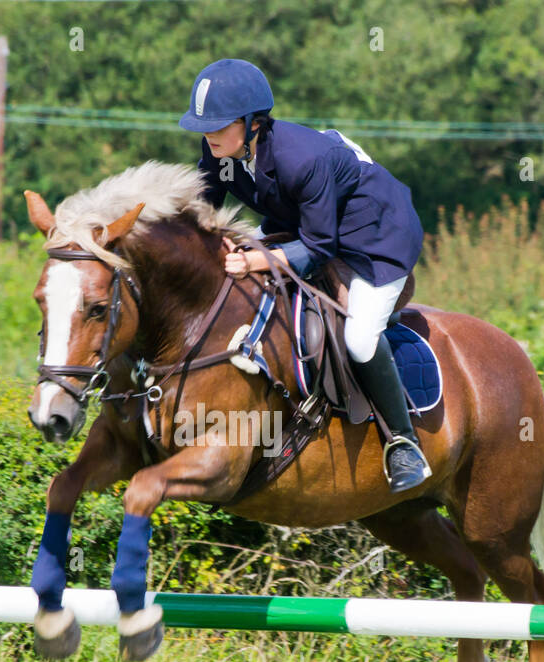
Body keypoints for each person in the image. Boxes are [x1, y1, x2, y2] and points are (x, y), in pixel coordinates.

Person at [180, 58, 430, 492]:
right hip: (304, 222)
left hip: (375, 236)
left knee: (359, 338)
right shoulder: (219, 151)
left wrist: (253, 261)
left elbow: (319, 249)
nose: (208, 135)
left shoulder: (302, 159)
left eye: (217, 126)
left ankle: (404, 444)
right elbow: (200, 215)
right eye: (204, 127)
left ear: (252, 123)